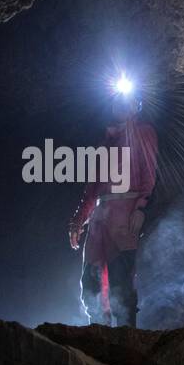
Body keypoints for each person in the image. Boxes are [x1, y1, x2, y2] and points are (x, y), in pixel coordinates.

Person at [69, 91, 158, 326]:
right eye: (116, 100)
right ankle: (99, 333)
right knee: (91, 282)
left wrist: (141, 207)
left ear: (135, 107)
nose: (119, 105)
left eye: (126, 102)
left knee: (121, 280)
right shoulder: (105, 141)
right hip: (100, 216)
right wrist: (79, 220)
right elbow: (91, 189)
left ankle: (126, 339)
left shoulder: (143, 133)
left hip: (124, 212)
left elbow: (148, 174)